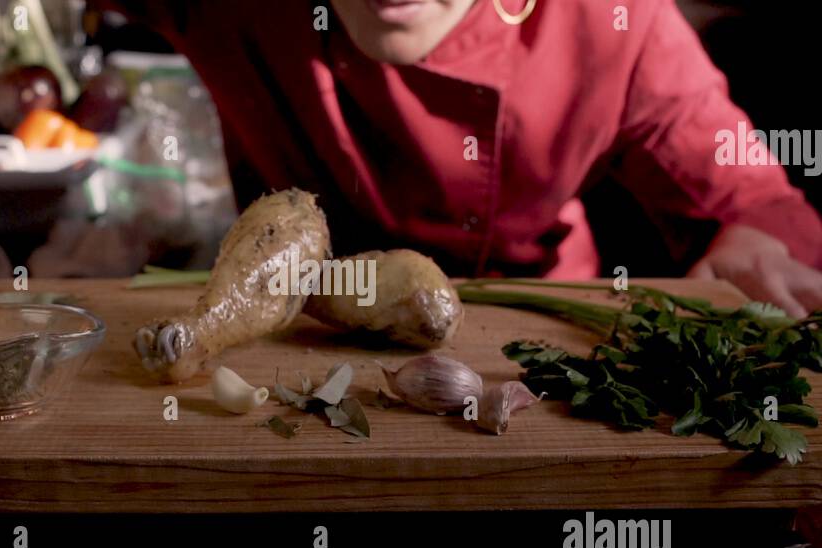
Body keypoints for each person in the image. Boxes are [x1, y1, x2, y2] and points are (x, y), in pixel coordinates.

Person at [105, 0, 822, 316]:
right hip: (296, 338)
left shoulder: (613, 19)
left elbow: (749, 198)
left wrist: (757, 244)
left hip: (541, 350)